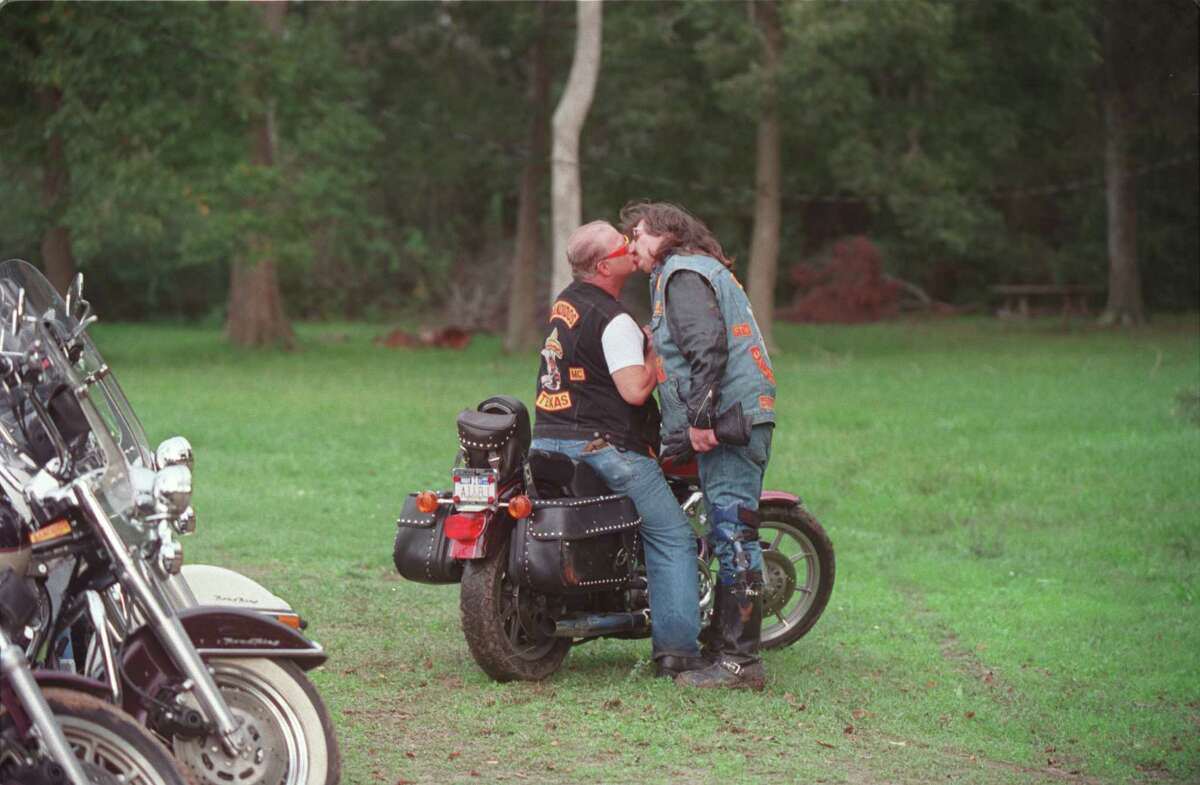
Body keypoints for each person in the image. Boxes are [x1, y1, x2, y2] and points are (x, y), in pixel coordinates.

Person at [529, 220, 705, 678]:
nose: (631, 247)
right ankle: (678, 653)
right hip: (601, 444)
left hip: (549, 439)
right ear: (606, 266)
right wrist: (654, 353)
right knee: (672, 536)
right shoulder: (615, 319)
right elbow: (633, 391)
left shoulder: (564, 305)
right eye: (622, 245)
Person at [622, 201, 776, 690]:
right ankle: (724, 647)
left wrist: (701, 418)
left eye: (638, 235)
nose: (632, 247)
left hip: (727, 421)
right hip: (740, 415)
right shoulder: (697, 270)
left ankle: (739, 664)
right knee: (731, 529)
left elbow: (707, 346)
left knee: (733, 534)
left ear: (666, 233)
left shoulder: (682, 274)